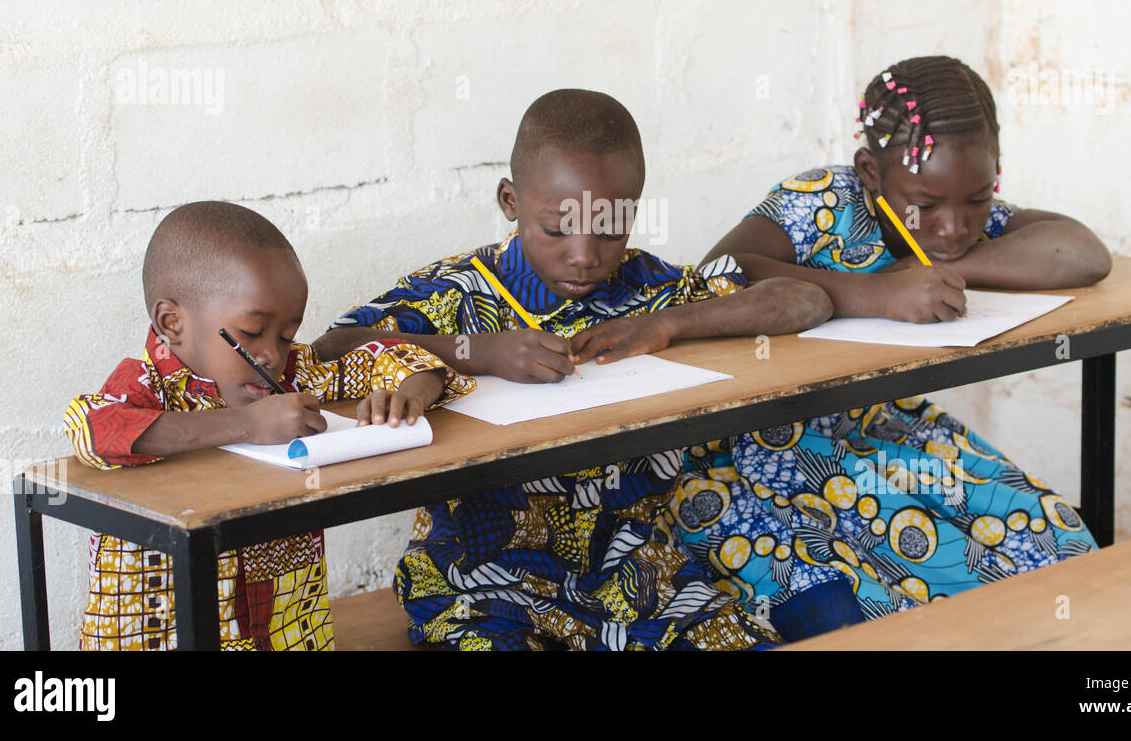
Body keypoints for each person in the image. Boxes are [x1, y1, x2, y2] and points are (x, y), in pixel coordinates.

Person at [314, 89, 833, 650]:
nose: (584, 255)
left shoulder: (651, 288)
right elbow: (330, 348)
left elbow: (805, 301)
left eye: (609, 230)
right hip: (485, 582)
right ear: (511, 201)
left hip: (638, 571)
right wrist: (481, 351)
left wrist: (667, 325)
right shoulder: (458, 292)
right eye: (558, 229)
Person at [673, 55, 1112, 642]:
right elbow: (719, 271)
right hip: (755, 461)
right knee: (855, 617)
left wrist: (941, 263)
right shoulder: (820, 200)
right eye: (925, 207)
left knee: (1062, 552)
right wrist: (877, 294)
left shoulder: (952, 216)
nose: (954, 226)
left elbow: (1083, 253)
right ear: (871, 173)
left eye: (978, 199)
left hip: (883, 433)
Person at [63, 201, 471, 650]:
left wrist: (409, 394)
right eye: (251, 334)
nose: (272, 357)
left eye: (286, 336)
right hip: (164, 632)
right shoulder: (147, 385)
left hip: (284, 627)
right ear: (172, 323)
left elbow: (399, 359)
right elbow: (91, 429)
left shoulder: (293, 374)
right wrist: (244, 424)